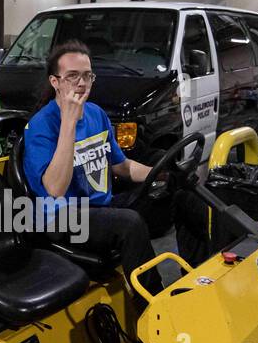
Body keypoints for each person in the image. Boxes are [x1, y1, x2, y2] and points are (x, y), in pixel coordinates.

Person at [23, 40, 162, 296]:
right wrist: (68, 123)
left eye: (87, 76)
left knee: (177, 194)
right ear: (55, 82)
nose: (81, 83)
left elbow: (120, 165)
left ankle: (201, 283)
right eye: (72, 76)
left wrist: (161, 173)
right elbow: (55, 188)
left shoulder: (97, 114)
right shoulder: (40, 127)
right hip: (62, 218)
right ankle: (155, 309)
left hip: (100, 207)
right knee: (130, 224)